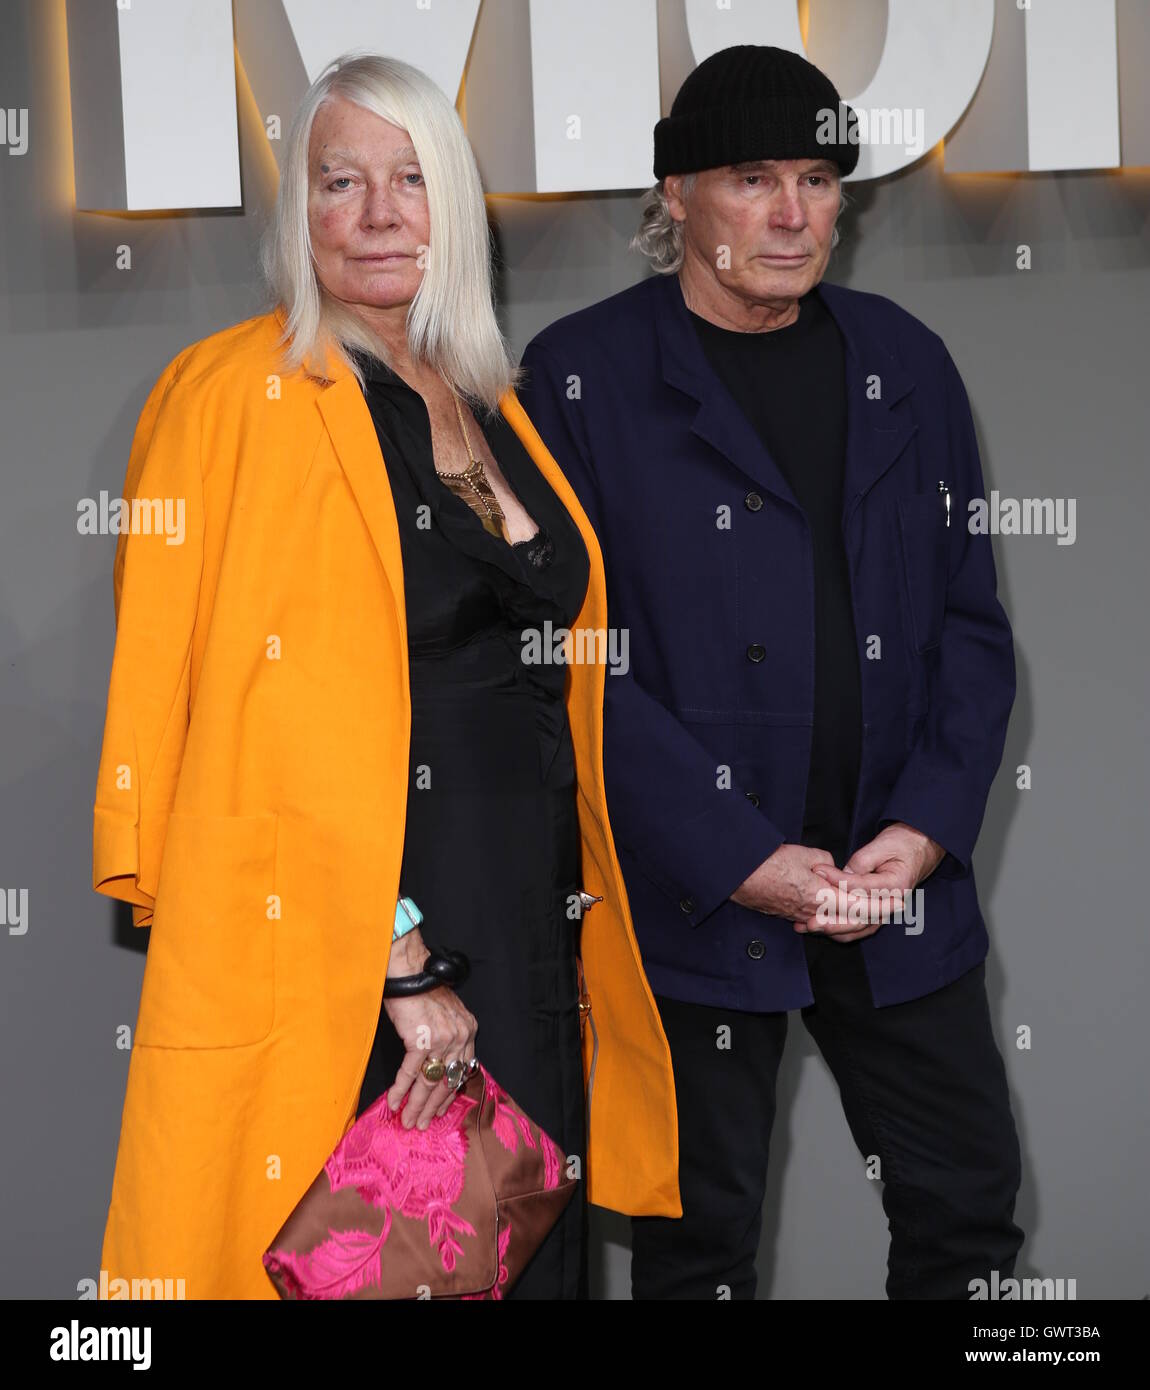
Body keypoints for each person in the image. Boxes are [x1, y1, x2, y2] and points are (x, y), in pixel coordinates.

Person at [90, 52, 679, 1301]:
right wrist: (401, 963)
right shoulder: (235, 398)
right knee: (363, 1274)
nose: (376, 213)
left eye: (410, 178)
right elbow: (234, 718)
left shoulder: (487, 399)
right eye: (338, 180)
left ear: (453, 206)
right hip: (358, 950)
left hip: (527, 933)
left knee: (516, 1263)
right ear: (297, 212)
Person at [516, 44, 1023, 1300]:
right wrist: (735, 854)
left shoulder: (903, 360)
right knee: (698, 1254)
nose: (793, 215)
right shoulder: (579, 379)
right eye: (752, 179)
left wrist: (922, 832)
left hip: (888, 888)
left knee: (966, 1220)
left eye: (815, 179)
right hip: (697, 904)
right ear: (675, 197)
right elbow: (573, 662)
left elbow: (969, 622)